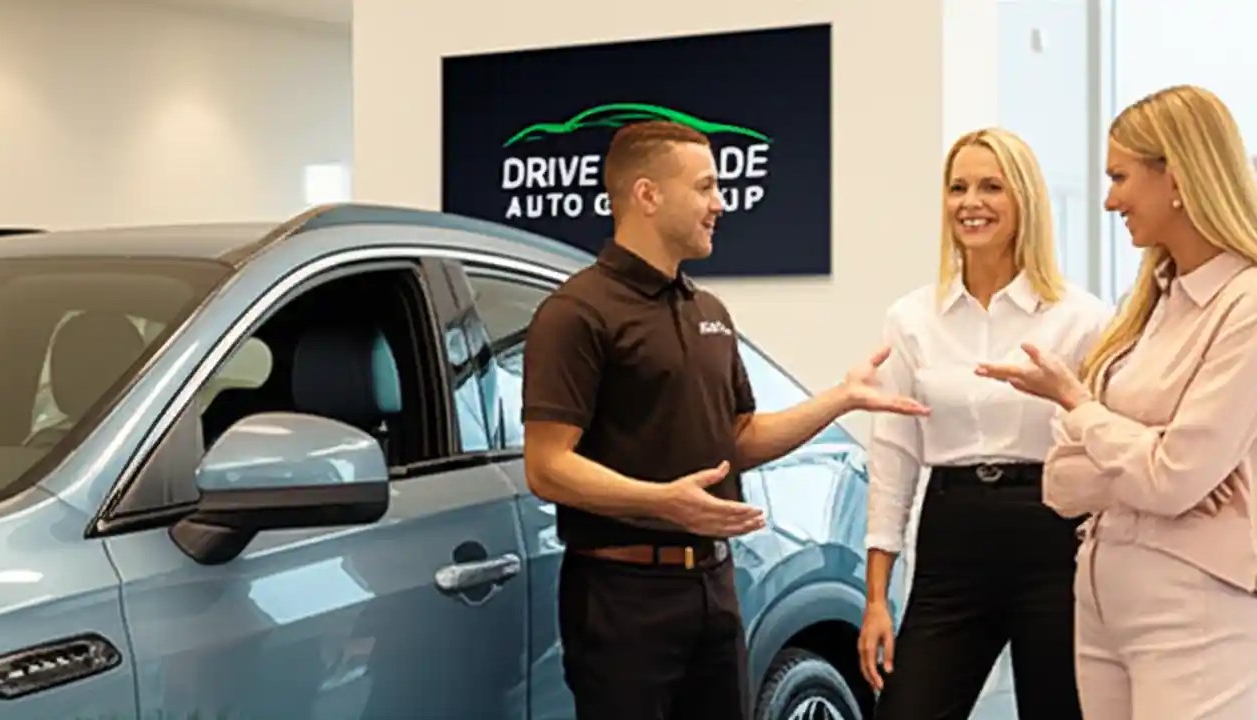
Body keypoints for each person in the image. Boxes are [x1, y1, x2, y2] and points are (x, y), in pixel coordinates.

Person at [519, 120, 929, 720]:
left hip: (713, 587)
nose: (720, 203)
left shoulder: (708, 311)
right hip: (620, 598)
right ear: (648, 195)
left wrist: (840, 398)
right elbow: (547, 466)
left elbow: (738, 438)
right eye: (706, 187)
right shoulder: (576, 313)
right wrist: (663, 502)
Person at [977, 84, 1257, 719]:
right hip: (1103, 596)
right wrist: (1142, 463)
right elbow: (1061, 481)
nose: (1109, 199)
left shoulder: (1247, 304)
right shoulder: (1150, 304)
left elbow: (1172, 476)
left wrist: (1081, 408)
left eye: (1121, 177)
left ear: (1178, 177)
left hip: (1198, 607)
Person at [857, 127, 1111, 720]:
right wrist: (876, 599)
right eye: (958, 187)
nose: (971, 202)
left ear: (1024, 199)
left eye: (991, 186)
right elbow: (892, 463)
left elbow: (1107, 446)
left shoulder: (1082, 317)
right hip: (953, 538)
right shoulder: (911, 318)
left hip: (1054, 538)